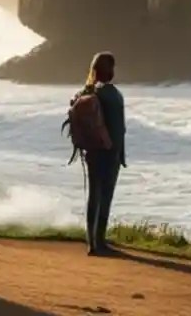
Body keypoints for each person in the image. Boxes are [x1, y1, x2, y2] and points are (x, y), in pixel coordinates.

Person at [84, 52, 126, 256]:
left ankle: (94, 242)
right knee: (104, 197)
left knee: (95, 196)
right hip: (109, 153)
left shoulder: (90, 90)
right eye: (112, 67)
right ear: (106, 70)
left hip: (96, 152)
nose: (114, 71)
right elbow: (118, 127)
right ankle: (98, 242)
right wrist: (120, 153)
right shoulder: (109, 92)